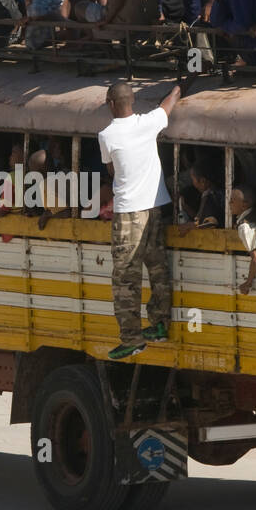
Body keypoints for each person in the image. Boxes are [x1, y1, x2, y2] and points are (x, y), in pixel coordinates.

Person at [99, 80, 181, 359]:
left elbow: (112, 170)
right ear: (132, 101)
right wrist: (176, 90)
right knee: (157, 267)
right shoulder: (149, 122)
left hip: (129, 212)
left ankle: (132, 338)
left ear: (111, 104)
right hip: (157, 207)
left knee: (125, 278)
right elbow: (167, 105)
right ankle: (159, 324)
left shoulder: (107, 135)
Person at [231, 184, 256, 295]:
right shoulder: (255, 216)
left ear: (244, 205)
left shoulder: (244, 227)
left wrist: (247, 283)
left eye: (232, 201)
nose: (229, 204)